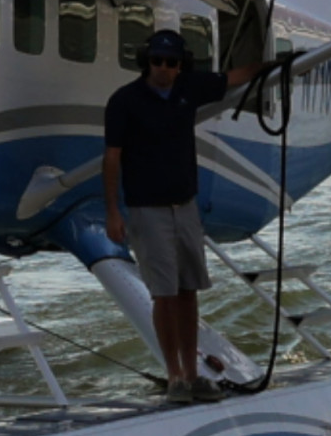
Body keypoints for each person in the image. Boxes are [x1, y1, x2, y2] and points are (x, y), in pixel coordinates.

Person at [103, 28, 264, 404]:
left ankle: (193, 374)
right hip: (147, 209)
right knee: (163, 293)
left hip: (185, 206)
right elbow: (112, 158)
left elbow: (234, 78)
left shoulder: (188, 88)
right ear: (147, 62)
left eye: (171, 63)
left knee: (189, 289)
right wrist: (113, 210)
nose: (163, 68)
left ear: (180, 66)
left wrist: (272, 66)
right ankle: (174, 375)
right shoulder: (124, 101)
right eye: (156, 61)